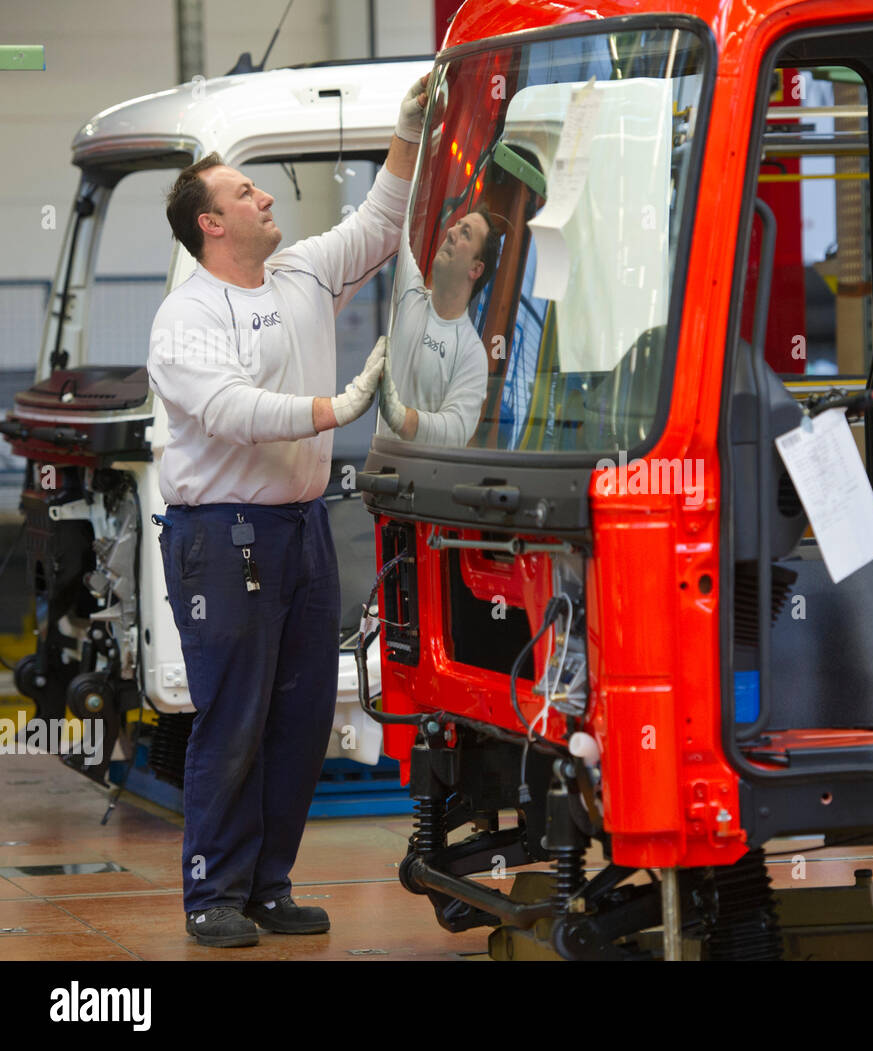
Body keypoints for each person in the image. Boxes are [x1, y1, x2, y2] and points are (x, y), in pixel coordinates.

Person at [146, 75, 430, 949]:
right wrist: (337, 408)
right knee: (233, 719)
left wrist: (409, 135)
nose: (264, 194)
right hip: (221, 538)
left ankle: (267, 884)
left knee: (302, 716)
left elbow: (382, 224)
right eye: (243, 191)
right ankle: (211, 894)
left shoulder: (301, 269)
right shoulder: (183, 318)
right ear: (211, 224)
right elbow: (229, 409)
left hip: (299, 529)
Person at [378, 204, 501, 446]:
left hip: (421, 483)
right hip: (375, 477)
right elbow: (391, 216)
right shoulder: (410, 294)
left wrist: (401, 417)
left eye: (465, 233)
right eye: (456, 224)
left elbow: (456, 430)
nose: (451, 232)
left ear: (476, 268)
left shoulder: (471, 352)